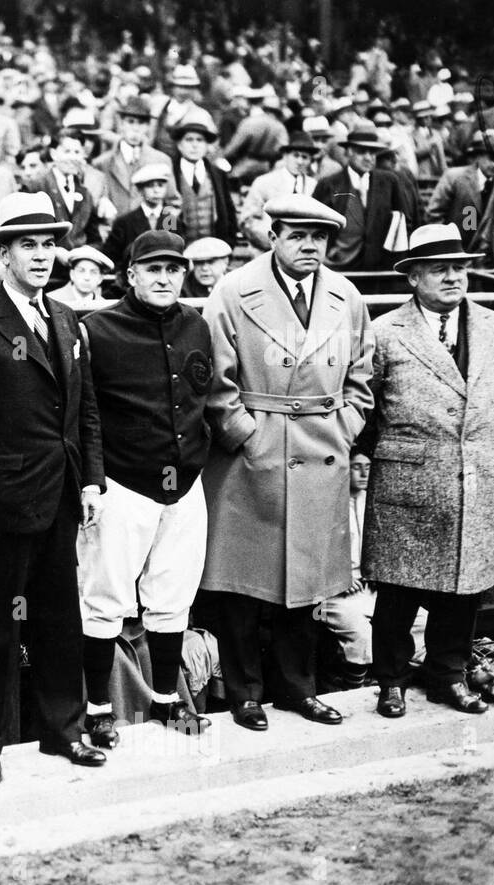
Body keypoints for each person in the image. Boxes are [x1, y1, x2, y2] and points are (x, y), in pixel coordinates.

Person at [201, 194, 375, 732]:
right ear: (273, 235)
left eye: (319, 237)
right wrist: (247, 436)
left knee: (306, 587)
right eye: (297, 235)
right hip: (253, 455)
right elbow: (213, 380)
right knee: (243, 586)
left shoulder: (346, 297)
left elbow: (362, 379)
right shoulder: (232, 293)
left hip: (320, 450)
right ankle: (245, 693)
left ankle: (298, 690)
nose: (309, 247)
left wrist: (342, 430)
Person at [0, 192, 107, 784]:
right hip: (9, 500)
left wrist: (92, 479)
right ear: (1, 257)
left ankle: (62, 732)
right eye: (28, 246)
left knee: (59, 619)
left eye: (49, 245)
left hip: (65, 492)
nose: (43, 256)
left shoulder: (68, 318)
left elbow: (85, 408)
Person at [358, 224, 494, 718]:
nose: (453, 277)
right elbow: (368, 404)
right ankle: (392, 679)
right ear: (412, 277)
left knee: (465, 587)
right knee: (399, 590)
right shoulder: (385, 332)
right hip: (410, 480)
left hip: (476, 476)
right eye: (439, 269)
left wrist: (474, 442)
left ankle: (447, 675)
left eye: (460, 267)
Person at [78, 229, 216, 744]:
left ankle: (164, 700)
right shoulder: (98, 327)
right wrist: (92, 482)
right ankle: (97, 709)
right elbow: (84, 415)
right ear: (130, 274)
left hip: (184, 482)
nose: (164, 278)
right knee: (104, 599)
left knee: (172, 597)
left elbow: (202, 398)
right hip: (123, 481)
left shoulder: (195, 325)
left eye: (173, 269)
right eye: (152, 269)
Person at [312, 122, 417, 271]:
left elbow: (404, 221)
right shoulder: (329, 184)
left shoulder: (389, 181)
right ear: (348, 151)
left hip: (379, 268)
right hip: (339, 267)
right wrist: (329, 254)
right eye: (362, 152)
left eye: (373, 152)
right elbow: (316, 226)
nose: (368, 158)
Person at [313, 451, 377, 691]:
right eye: (356, 467)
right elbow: (313, 554)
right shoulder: (328, 505)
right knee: (362, 635)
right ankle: (355, 688)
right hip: (327, 596)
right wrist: (340, 576)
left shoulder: (372, 502)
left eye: (367, 467)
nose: (363, 473)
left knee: (420, 621)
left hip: (368, 589)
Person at [93, 96, 175, 220]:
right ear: (121, 123)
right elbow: (96, 204)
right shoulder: (103, 163)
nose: (135, 129)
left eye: (141, 123)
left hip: (151, 235)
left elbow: (172, 203)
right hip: (116, 234)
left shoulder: (161, 160)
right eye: (130, 122)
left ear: (148, 126)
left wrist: (165, 234)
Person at [240, 132, 321, 251]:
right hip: (266, 248)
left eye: (304, 157)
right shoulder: (264, 182)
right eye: (295, 155)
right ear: (285, 156)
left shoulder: (313, 186)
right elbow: (247, 220)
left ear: (310, 161)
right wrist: (274, 242)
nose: (299, 161)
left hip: (302, 251)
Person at [34, 130, 108, 249]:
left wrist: (85, 254)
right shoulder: (37, 186)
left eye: (77, 152)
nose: (73, 157)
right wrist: (56, 252)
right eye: (67, 151)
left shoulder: (85, 193)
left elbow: (94, 238)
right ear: (54, 154)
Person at [426, 130, 494, 238]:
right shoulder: (454, 177)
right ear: (479, 156)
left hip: (486, 252)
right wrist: (445, 245)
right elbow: (434, 215)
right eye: (492, 158)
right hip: (455, 249)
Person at [102, 164, 184, 268]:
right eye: (150, 186)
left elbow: (179, 253)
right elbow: (112, 257)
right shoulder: (124, 222)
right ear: (140, 190)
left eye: (160, 185)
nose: (156, 190)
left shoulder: (171, 220)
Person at [172, 116, 237, 245]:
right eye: (189, 140)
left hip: (213, 248)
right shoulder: (171, 174)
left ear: (207, 146)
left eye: (200, 140)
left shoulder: (218, 174)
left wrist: (228, 242)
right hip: (181, 251)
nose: (194, 145)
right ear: (180, 145)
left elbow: (229, 210)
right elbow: (167, 212)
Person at [48, 244, 114, 308]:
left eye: (93, 272)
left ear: (100, 278)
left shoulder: (104, 306)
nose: (87, 277)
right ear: (72, 274)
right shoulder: (51, 301)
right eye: (81, 271)